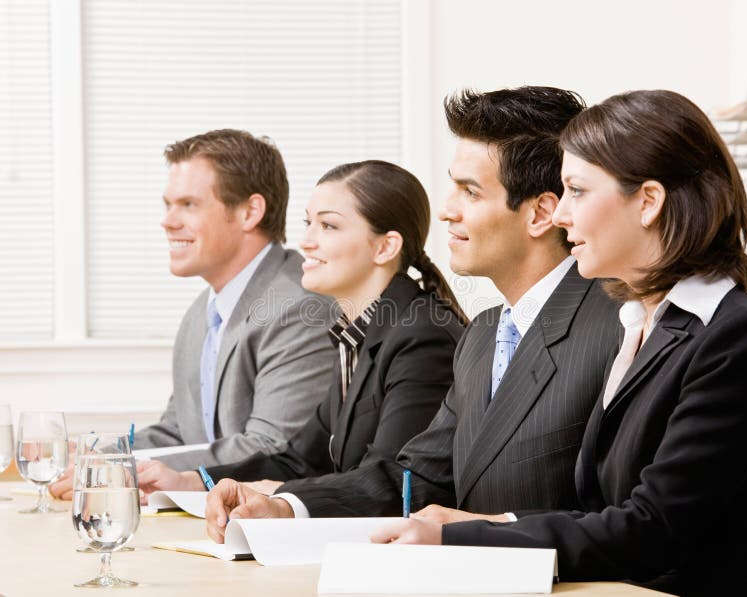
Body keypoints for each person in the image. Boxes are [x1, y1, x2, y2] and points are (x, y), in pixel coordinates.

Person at [374, 90, 747, 595]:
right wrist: (478, 524)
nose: (560, 215)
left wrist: (464, 537)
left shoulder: (736, 337)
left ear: (648, 202)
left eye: (576, 191)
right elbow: (600, 512)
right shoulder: (637, 323)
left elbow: (654, 527)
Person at [204, 86, 620, 542]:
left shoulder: (617, 326)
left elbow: (628, 519)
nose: (446, 210)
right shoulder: (484, 334)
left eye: (470, 191)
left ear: (540, 214)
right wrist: (285, 507)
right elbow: (417, 476)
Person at [136, 160, 466, 496]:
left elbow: (392, 484)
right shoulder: (356, 337)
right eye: (309, 223)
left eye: (328, 226)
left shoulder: (421, 337)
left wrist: (284, 499)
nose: (306, 241)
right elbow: (297, 461)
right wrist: (193, 480)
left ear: (384, 247)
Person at [51, 129, 337, 500]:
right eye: (168, 204)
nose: (168, 221)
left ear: (250, 212)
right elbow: (178, 431)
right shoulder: (203, 312)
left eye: (188, 204)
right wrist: (101, 454)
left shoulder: (300, 306)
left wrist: (122, 467)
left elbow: (273, 448)